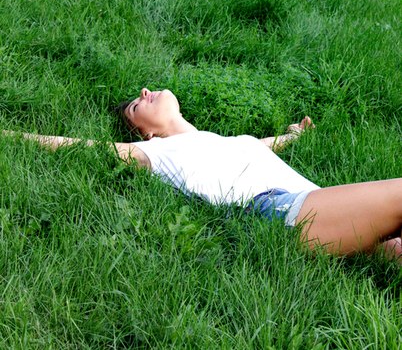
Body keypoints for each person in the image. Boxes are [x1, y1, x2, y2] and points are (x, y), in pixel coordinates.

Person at [3, 87, 401, 262]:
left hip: (323, 207)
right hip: (278, 212)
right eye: (137, 105)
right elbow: (78, 145)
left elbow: (264, 145)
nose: (145, 93)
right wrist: (12, 135)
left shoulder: (226, 141)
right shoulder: (157, 152)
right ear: (146, 132)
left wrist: (294, 134)